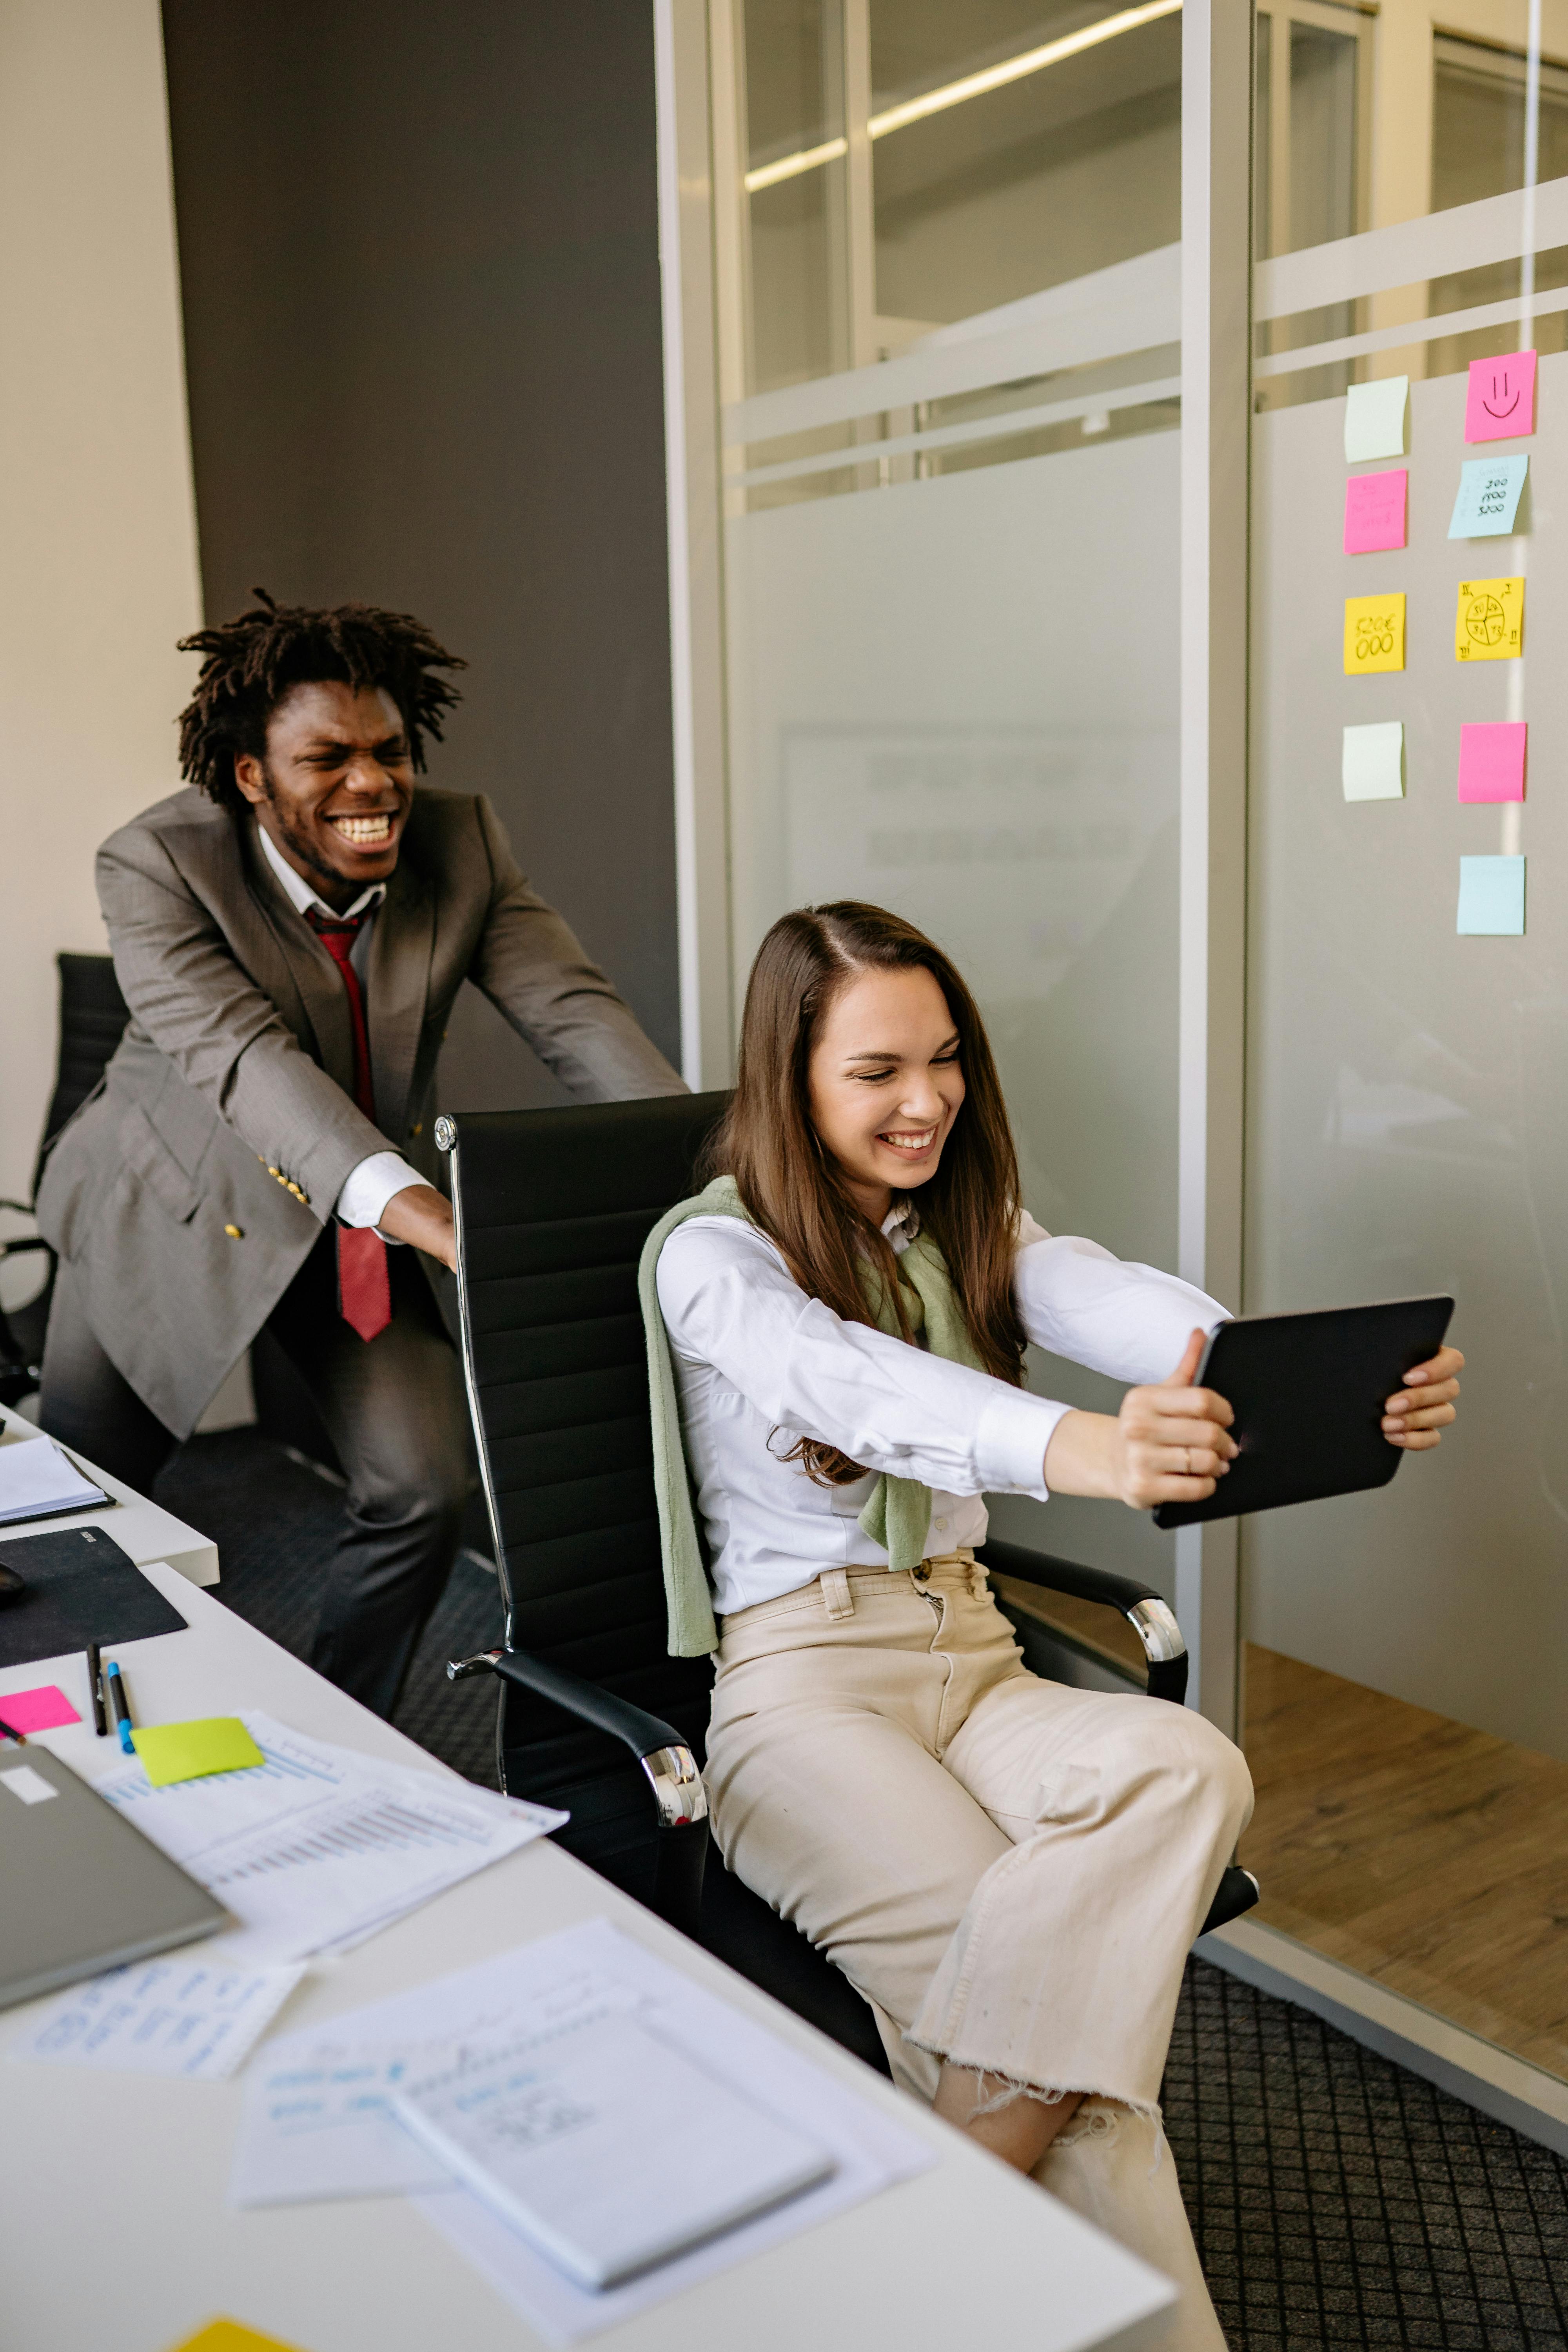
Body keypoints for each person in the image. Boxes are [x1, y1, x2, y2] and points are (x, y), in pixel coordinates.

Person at [642, 901, 1462, 2350]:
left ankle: (921, 2230)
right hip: (801, 1694)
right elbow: (859, 1391)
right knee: (1054, 2053)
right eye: (877, 1071)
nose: (927, 1101)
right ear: (792, 1083)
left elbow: (1124, 1306)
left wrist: (1322, 1387)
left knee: (1187, 1768)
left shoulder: (962, 1229)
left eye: (945, 1060)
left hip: (974, 1659)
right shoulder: (716, 1262)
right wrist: (1086, 1453)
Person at [36, 593, 685, 1715]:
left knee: (424, 1490)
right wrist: (432, 1215)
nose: (372, 783)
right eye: (326, 757)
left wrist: (699, 1174)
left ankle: (342, 1724)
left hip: (352, 1228)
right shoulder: (153, 865)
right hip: (173, 1213)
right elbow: (247, 1062)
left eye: (389, 751)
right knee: (80, 1524)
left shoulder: (463, 841)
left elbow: (574, 1016)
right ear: (251, 775)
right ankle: (55, 1753)